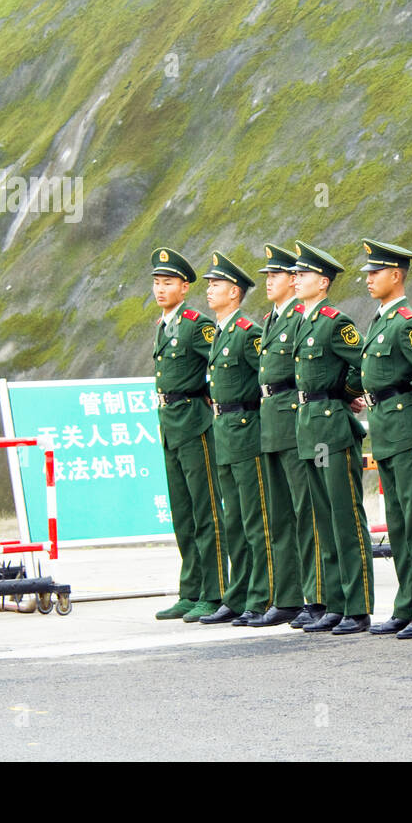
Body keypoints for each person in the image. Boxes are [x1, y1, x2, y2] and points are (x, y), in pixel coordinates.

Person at [201, 251, 303, 627]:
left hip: (248, 430)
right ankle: (240, 593)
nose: (209, 291)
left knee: (259, 518)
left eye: (217, 286)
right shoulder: (224, 331)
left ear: (235, 293)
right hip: (225, 430)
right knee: (235, 522)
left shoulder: (248, 332)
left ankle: (263, 595)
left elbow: (271, 381)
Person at [358, 240, 412, 639]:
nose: (368, 279)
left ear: (396, 275)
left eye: (375, 273)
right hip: (386, 428)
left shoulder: (406, 321)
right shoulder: (381, 320)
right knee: (397, 523)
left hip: (407, 426)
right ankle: (407, 604)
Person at [290, 242, 373, 635]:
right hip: (309, 425)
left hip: (333, 426)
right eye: (295, 274)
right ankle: (336, 604)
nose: (295, 279)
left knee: (345, 518)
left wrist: (347, 391)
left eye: (302, 274)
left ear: (322, 282)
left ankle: (357, 607)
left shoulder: (334, 322)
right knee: (323, 520)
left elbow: (364, 362)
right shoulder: (303, 322)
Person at [255, 243, 335, 629]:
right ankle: (287, 596)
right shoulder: (273, 320)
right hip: (272, 422)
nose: (269, 282)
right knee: (279, 516)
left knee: (307, 512)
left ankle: (316, 595)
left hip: (295, 419)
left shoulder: (302, 319)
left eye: (277, 276)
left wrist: (346, 395)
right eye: (267, 276)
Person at [149, 247, 226, 623]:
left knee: (205, 509)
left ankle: (214, 592)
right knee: (182, 513)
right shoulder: (164, 325)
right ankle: (190, 590)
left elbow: (225, 360)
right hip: (170, 425)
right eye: (157, 283)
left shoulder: (196, 324)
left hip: (196, 423)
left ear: (184, 287)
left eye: (168, 283)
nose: (160, 290)